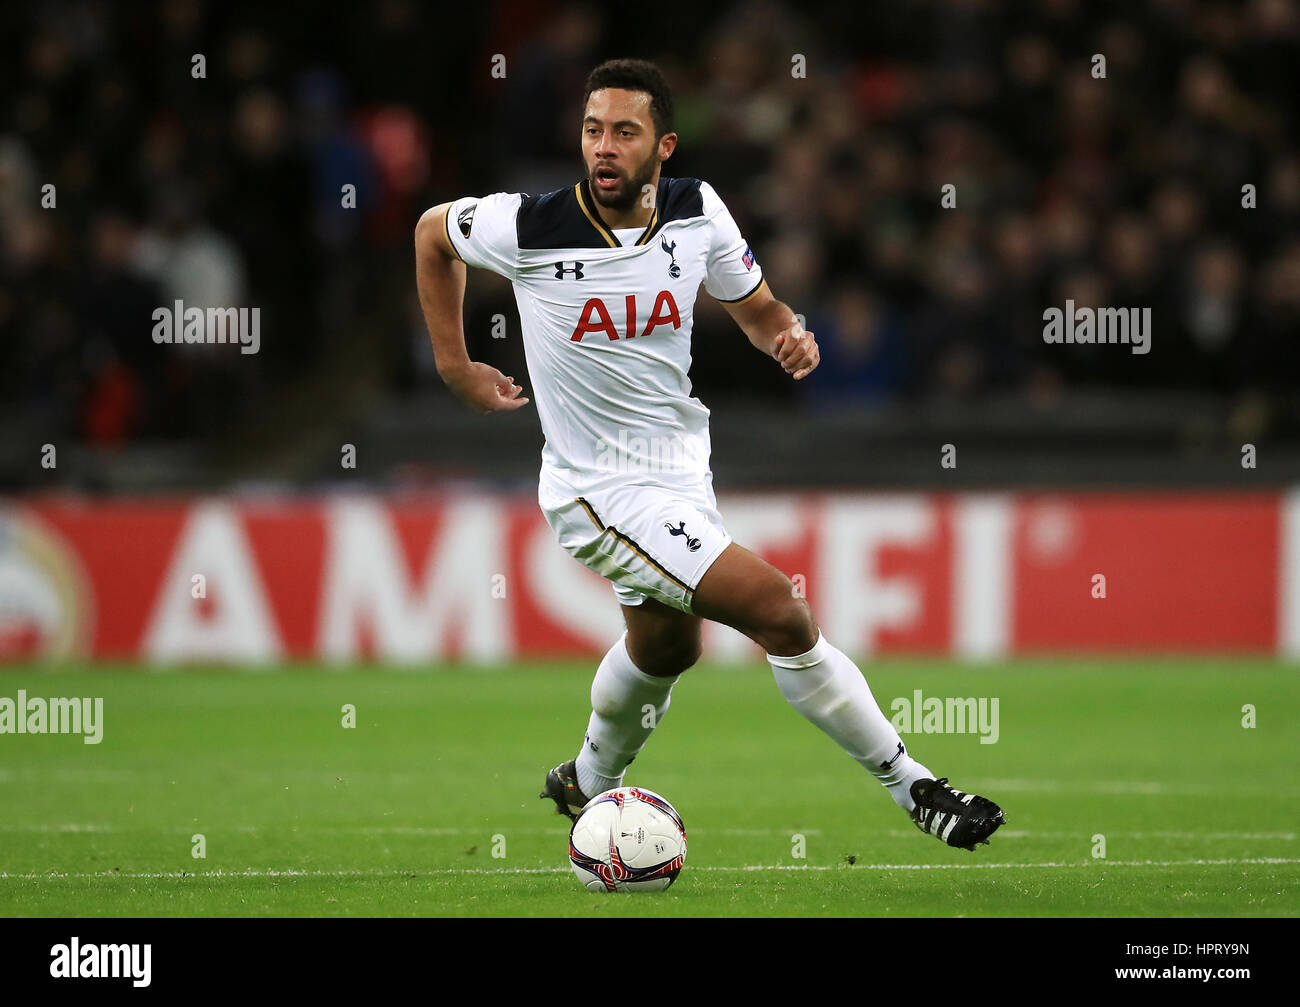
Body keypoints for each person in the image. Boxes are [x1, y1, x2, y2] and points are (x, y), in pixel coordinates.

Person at [413, 58, 1003, 852]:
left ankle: (587, 779)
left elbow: (757, 308)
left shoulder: (697, 212)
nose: (604, 148)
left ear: (664, 145)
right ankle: (916, 785)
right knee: (779, 612)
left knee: (666, 645)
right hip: (598, 488)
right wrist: (455, 366)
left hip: (682, 474)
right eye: (593, 130)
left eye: (625, 131)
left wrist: (786, 335)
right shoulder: (528, 225)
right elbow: (430, 234)